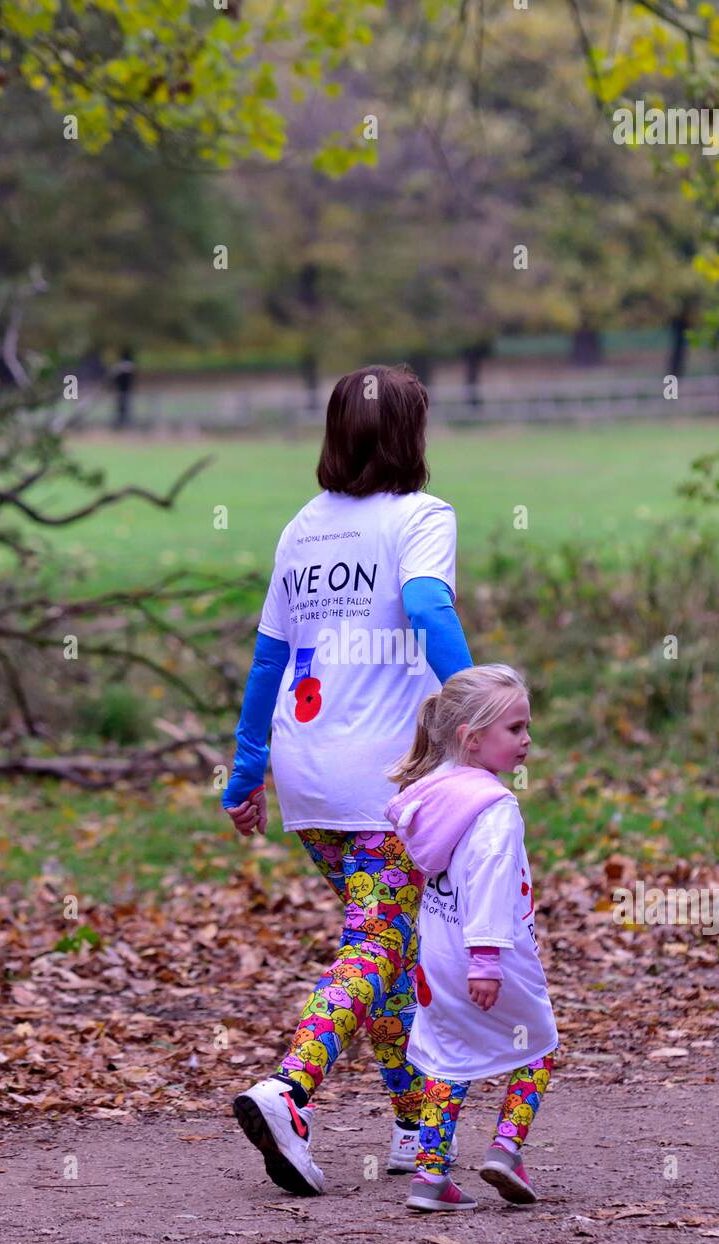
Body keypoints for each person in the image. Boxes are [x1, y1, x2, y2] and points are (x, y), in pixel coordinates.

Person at [222, 363, 473, 1196]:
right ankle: (289, 1093)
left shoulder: (303, 526)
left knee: (390, 947)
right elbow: (431, 609)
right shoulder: (420, 517)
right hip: (388, 781)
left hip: (310, 777)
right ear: (410, 434)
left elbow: (267, 659)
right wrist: (476, 707)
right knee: (378, 943)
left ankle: (412, 1127)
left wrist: (247, 766)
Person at [383, 663, 558, 1213]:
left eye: (527, 726)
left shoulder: (429, 799)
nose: (527, 740)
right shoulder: (494, 809)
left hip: (436, 961)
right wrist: (485, 960)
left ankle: (431, 1178)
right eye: (515, 729)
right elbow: (489, 881)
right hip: (492, 957)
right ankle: (506, 1149)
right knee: (538, 1047)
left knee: (445, 1058)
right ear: (472, 738)